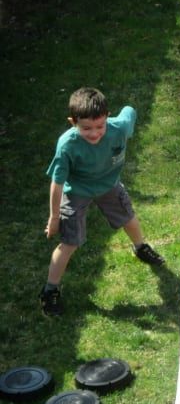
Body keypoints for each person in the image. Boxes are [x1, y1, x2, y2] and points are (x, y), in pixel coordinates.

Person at [40, 87, 164, 316]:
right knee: (70, 242)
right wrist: (54, 217)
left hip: (109, 185)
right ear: (72, 122)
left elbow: (130, 111)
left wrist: (127, 114)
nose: (95, 133)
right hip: (77, 190)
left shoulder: (120, 127)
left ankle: (141, 248)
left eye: (100, 126)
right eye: (86, 128)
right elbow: (57, 183)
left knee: (129, 218)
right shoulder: (67, 145)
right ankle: (50, 290)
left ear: (107, 116)